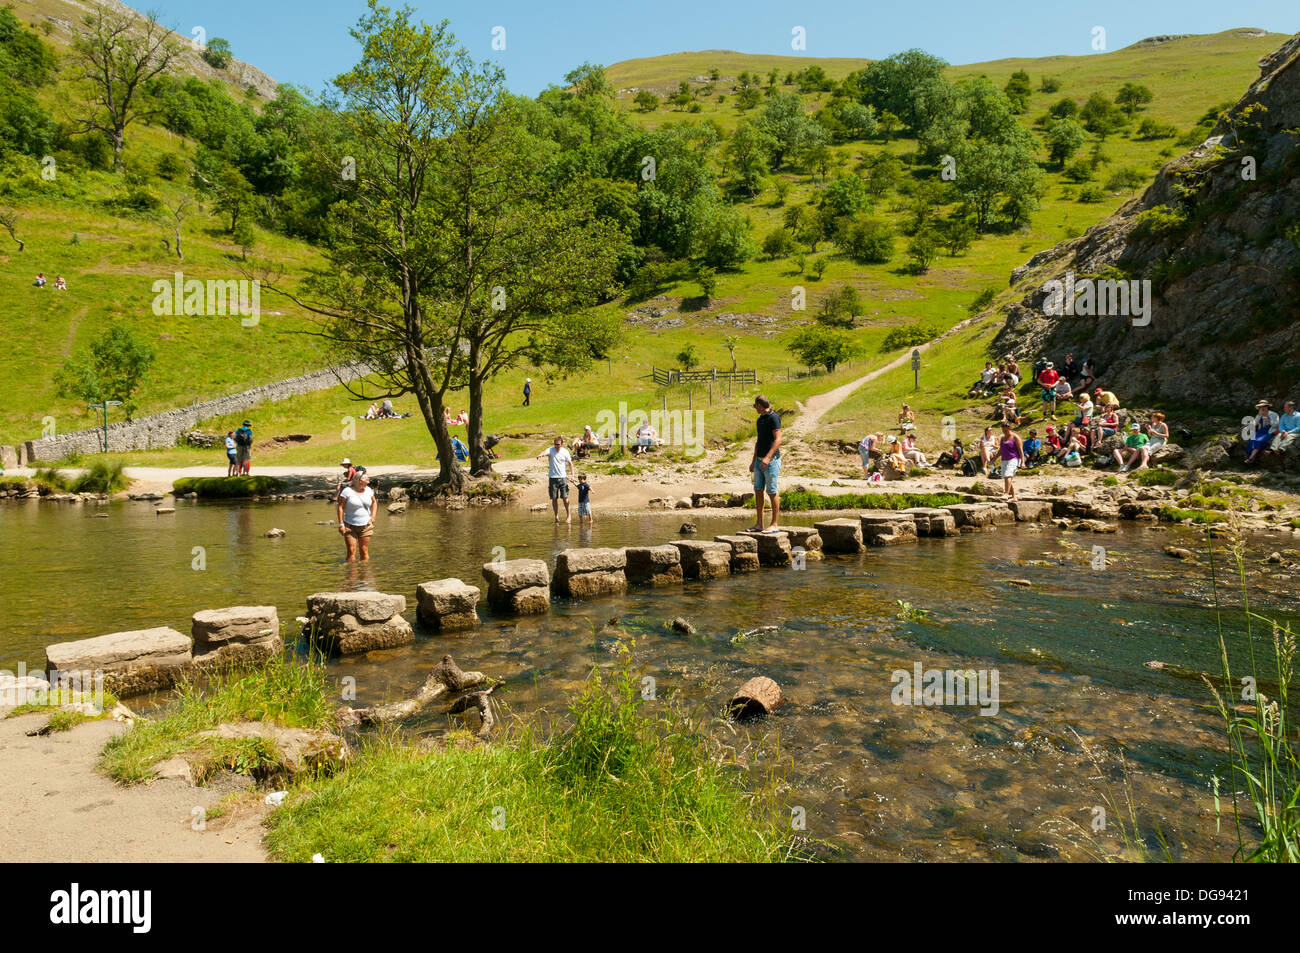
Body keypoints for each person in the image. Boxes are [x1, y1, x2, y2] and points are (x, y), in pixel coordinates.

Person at [748, 395, 782, 532]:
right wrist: (753, 461)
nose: (754, 407)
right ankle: (759, 524)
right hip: (758, 461)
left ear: (760, 405)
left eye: (755, 405)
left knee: (772, 492)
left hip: (771, 461)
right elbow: (758, 441)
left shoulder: (774, 418)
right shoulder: (759, 419)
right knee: (758, 490)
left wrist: (768, 457)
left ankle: (774, 524)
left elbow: (778, 439)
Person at [336, 467, 376, 562]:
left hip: (366, 525)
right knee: (351, 551)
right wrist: (341, 524)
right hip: (349, 526)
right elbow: (340, 507)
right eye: (367, 479)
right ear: (360, 481)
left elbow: (374, 503)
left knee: (364, 550)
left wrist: (373, 517)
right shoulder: (347, 491)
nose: (368, 481)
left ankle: (365, 573)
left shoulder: (369, 490)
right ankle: (351, 574)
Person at [536, 435, 575, 523]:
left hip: (562, 477)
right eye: (555, 444)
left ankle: (569, 516)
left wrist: (572, 476)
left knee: (565, 497)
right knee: (554, 498)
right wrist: (540, 455)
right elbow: (544, 452)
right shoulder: (551, 450)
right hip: (552, 477)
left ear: (561, 444)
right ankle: (556, 517)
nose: (556, 446)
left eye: (558, 445)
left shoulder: (565, 452)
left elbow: (570, 464)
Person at [1244, 400, 1279, 465]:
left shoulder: (1274, 414)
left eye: (1263, 406)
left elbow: (1276, 425)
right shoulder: (1259, 414)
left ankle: (1251, 458)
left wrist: (1269, 420)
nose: (1262, 408)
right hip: (1261, 431)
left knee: (1258, 441)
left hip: (1269, 431)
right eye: (1260, 407)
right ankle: (1252, 458)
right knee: (1252, 439)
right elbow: (1254, 424)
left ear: (1267, 407)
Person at [997, 423, 1024, 500]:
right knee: (1007, 477)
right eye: (1003, 430)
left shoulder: (1015, 437)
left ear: (1010, 429)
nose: (1004, 431)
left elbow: (1021, 450)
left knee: (1008, 475)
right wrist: (994, 458)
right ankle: (1014, 497)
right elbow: (1001, 450)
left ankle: (1006, 494)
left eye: (1006, 430)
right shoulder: (1002, 438)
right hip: (1004, 459)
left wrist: (1023, 462)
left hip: (1014, 459)